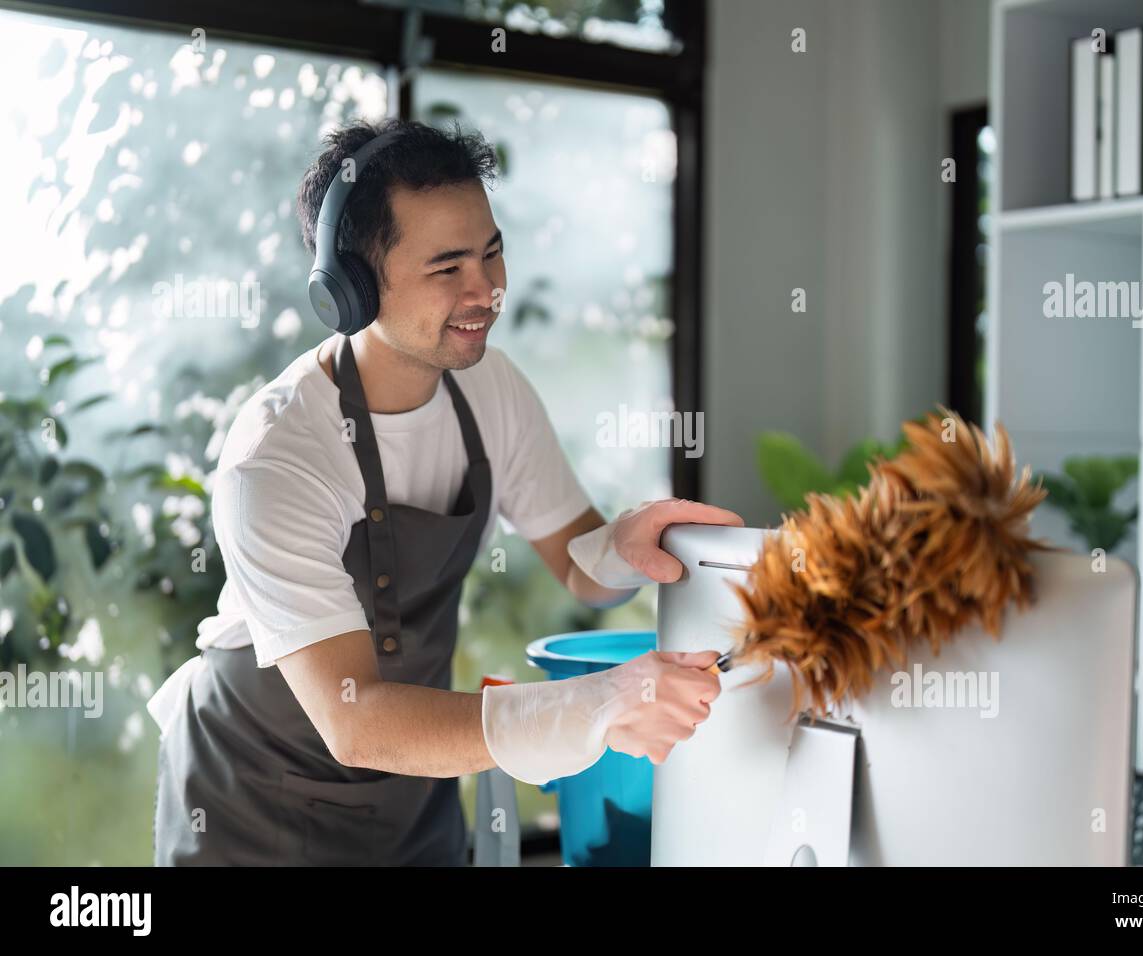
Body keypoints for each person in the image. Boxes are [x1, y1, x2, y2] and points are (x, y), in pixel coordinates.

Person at [148, 117, 741, 865]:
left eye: (492, 253)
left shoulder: (488, 387)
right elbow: (355, 722)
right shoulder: (276, 455)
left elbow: (581, 569)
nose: (486, 291)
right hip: (257, 801)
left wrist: (624, 547)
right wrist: (597, 707)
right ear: (352, 289)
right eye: (448, 267)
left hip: (416, 784)